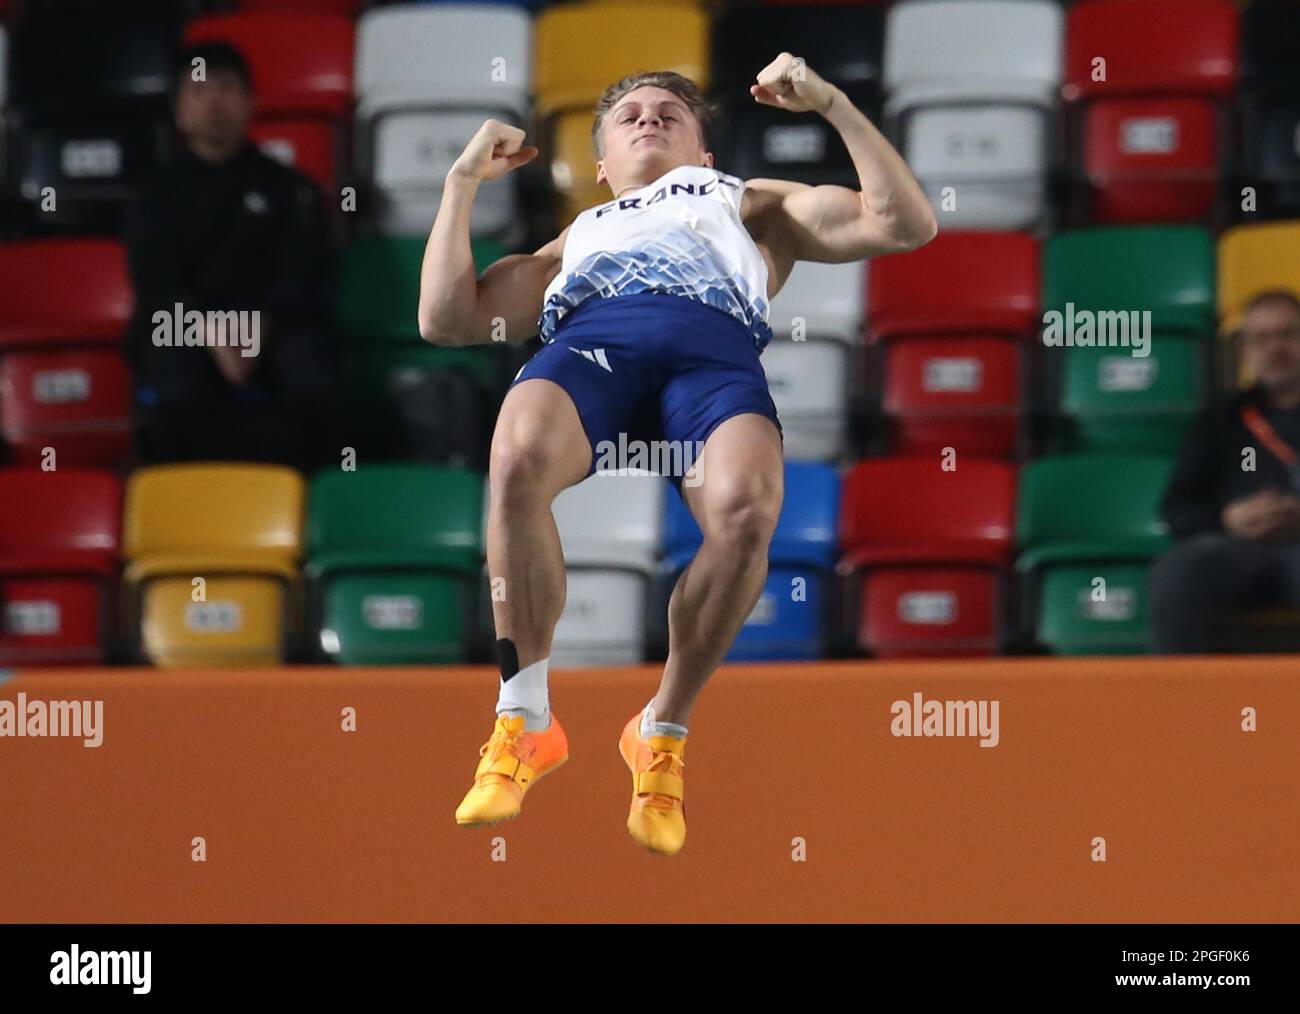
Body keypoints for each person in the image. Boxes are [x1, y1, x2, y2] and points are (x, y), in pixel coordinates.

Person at [419, 54, 937, 854]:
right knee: (517, 454)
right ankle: (524, 718)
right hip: (595, 349)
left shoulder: (749, 202)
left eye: (669, 110)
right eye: (627, 116)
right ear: (600, 167)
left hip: (712, 357)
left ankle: (661, 729)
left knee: (746, 511)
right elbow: (448, 320)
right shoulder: (574, 240)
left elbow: (905, 223)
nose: (647, 117)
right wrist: (460, 184)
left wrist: (831, 103)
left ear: (705, 154)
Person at [124, 41, 337, 474]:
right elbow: (156, 281)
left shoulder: (291, 189)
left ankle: (299, 507)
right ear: (179, 110)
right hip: (188, 327)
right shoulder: (154, 195)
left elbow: (306, 270)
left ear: (249, 103)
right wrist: (212, 332)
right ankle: (176, 506)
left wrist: (259, 323)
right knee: (170, 368)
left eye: (226, 88)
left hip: (273, 325)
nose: (214, 101)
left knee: (311, 371)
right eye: (199, 90)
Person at [1150, 289, 1300, 653]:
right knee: (1177, 571)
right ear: (1245, 351)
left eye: (1287, 334)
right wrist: (1227, 519)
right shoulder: (1220, 418)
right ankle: (1179, 700)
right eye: (1261, 339)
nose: (1275, 349)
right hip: (1234, 549)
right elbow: (1178, 511)